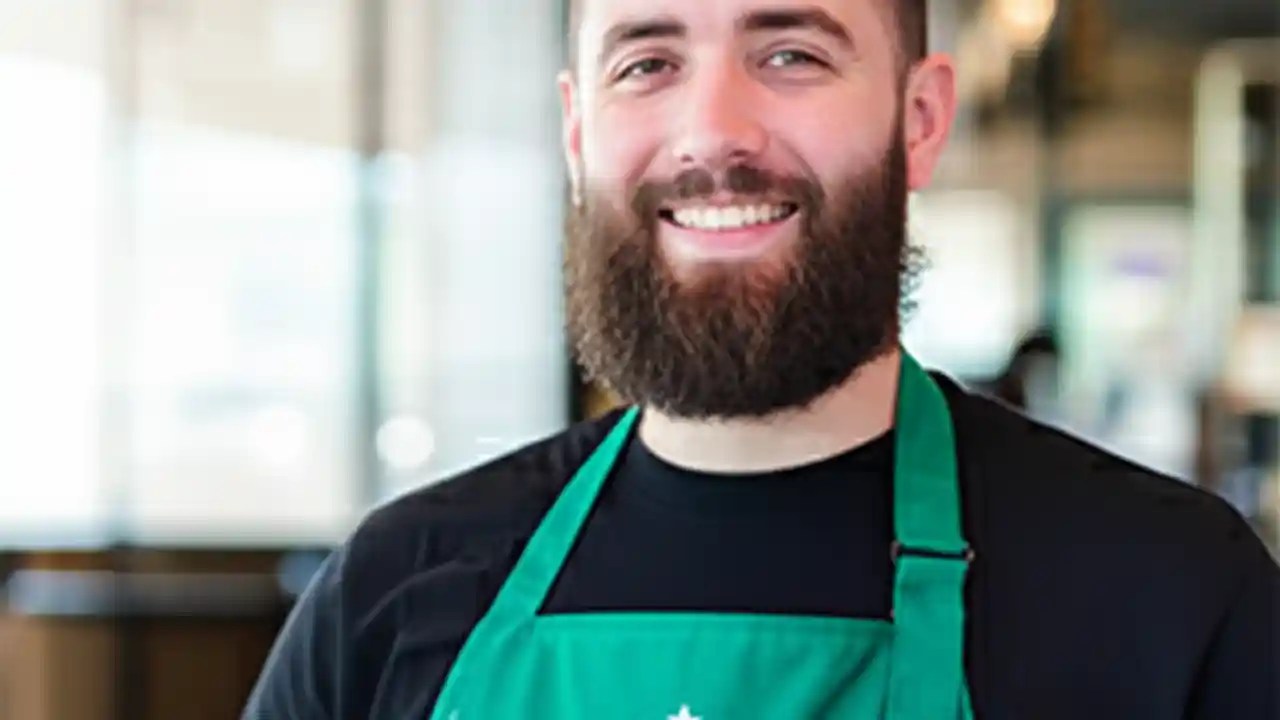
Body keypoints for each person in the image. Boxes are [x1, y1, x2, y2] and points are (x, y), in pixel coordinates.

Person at [244, 1, 1279, 718]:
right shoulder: (390, 597)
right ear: (574, 133)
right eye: (646, 62)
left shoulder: (1169, 597)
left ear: (917, 121)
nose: (711, 133)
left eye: (790, 53)